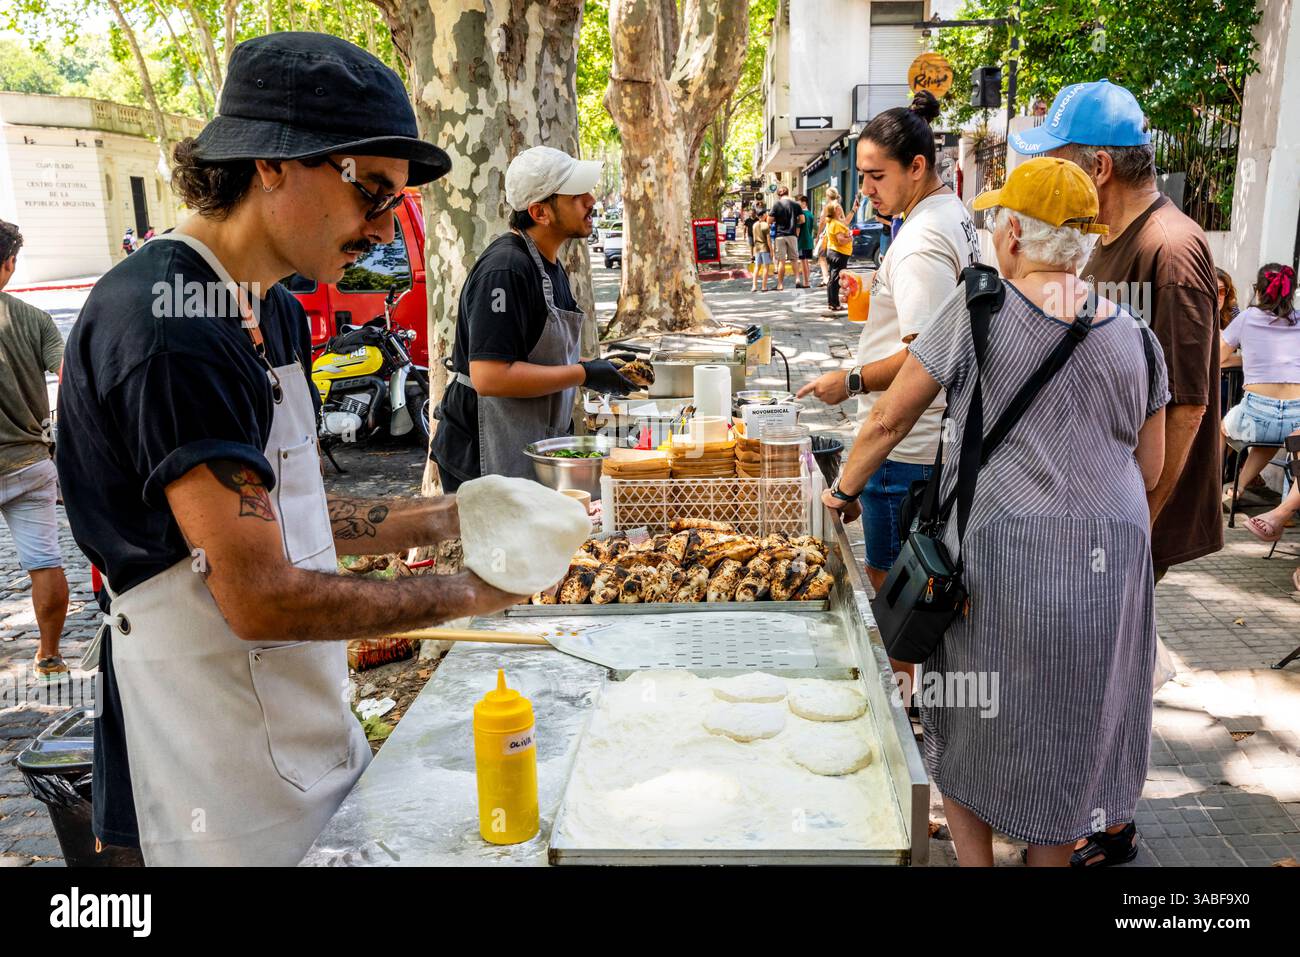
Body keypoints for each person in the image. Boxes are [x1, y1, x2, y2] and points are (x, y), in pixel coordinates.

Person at [55, 32, 543, 866]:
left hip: (306, 723)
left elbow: (298, 511)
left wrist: (454, 513)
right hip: (205, 758)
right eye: (372, 192)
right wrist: (471, 590)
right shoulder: (169, 328)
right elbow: (260, 596)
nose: (384, 228)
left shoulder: (272, 305)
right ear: (272, 163)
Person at [823, 157, 1169, 867]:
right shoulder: (1135, 334)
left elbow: (891, 421)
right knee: (1073, 725)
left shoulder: (979, 310)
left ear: (1012, 234)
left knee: (967, 716)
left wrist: (842, 492)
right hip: (1112, 576)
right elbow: (1153, 467)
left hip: (998, 568)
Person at [1018, 77, 1221, 866]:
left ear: (1097, 164)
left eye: (1061, 158)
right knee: (1096, 665)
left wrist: (1135, 514)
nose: (1054, 174)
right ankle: (1089, 813)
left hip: (1136, 508)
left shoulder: (1172, 250)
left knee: (1103, 673)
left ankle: (1108, 826)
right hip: (1099, 505)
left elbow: (1190, 406)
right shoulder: (1104, 240)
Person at [798, 89, 980, 596]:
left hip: (904, 451)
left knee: (895, 593)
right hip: (921, 447)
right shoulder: (954, 214)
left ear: (916, 166)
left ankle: (901, 680)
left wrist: (851, 380)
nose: (867, 190)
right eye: (862, 176)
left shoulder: (920, 241)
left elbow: (926, 362)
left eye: (877, 176)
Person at [430, 146, 629, 492]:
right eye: (576, 195)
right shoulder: (505, 269)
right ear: (540, 212)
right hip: (483, 451)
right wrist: (583, 373)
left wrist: (597, 367)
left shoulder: (550, 266)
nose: (591, 199)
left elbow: (535, 357)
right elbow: (490, 376)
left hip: (534, 441)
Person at [0, 220, 70, 682]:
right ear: (8, 264)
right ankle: (48, 655)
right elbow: (72, 377)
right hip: (29, 462)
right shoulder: (35, 319)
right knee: (44, 559)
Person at [1219, 264, 1300, 490]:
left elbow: (1217, 358)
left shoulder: (1247, 317)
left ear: (1258, 290)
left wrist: (1251, 360)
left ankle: (1213, 486)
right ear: (1291, 292)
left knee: (1223, 428)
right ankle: (1238, 488)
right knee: (1279, 435)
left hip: (1259, 415)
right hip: (1297, 416)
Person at [821, 202, 853, 312]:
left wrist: (853, 209)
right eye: (838, 207)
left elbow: (846, 221)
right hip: (838, 253)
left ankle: (832, 303)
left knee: (833, 278)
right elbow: (840, 240)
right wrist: (850, 238)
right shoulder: (836, 224)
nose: (840, 207)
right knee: (836, 279)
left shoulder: (833, 222)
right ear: (835, 210)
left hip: (834, 252)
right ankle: (834, 304)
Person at [770, 185, 803, 291]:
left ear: (779, 195)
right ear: (788, 193)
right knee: (794, 259)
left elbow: (769, 221)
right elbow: (802, 220)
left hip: (780, 235)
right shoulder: (796, 204)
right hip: (792, 235)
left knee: (781, 261)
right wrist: (794, 223)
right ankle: (797, 280)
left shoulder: (777, 204)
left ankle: (780, 284)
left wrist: (776, 220)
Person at [796, 194, 815, 289]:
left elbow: (798, 230)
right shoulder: (810, 214)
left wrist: (795, 238)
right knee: (806, 262)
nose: (798, 206)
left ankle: (806, 282)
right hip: (809, 240)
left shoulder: (801, 215)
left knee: (803, 261)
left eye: (799, 204)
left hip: (802, 241)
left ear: (804, 203)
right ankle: (807, 281)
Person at [751, 211, 774, 292]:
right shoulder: (765, 225)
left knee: (757, 267)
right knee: (766, 267)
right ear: (763, 215)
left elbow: (754, 239)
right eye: (766, 214)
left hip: (757, 248)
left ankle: (754, 286)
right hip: (765, 248)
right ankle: (764, 286)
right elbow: (768, 240)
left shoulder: (754, 225)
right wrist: (771, 251)